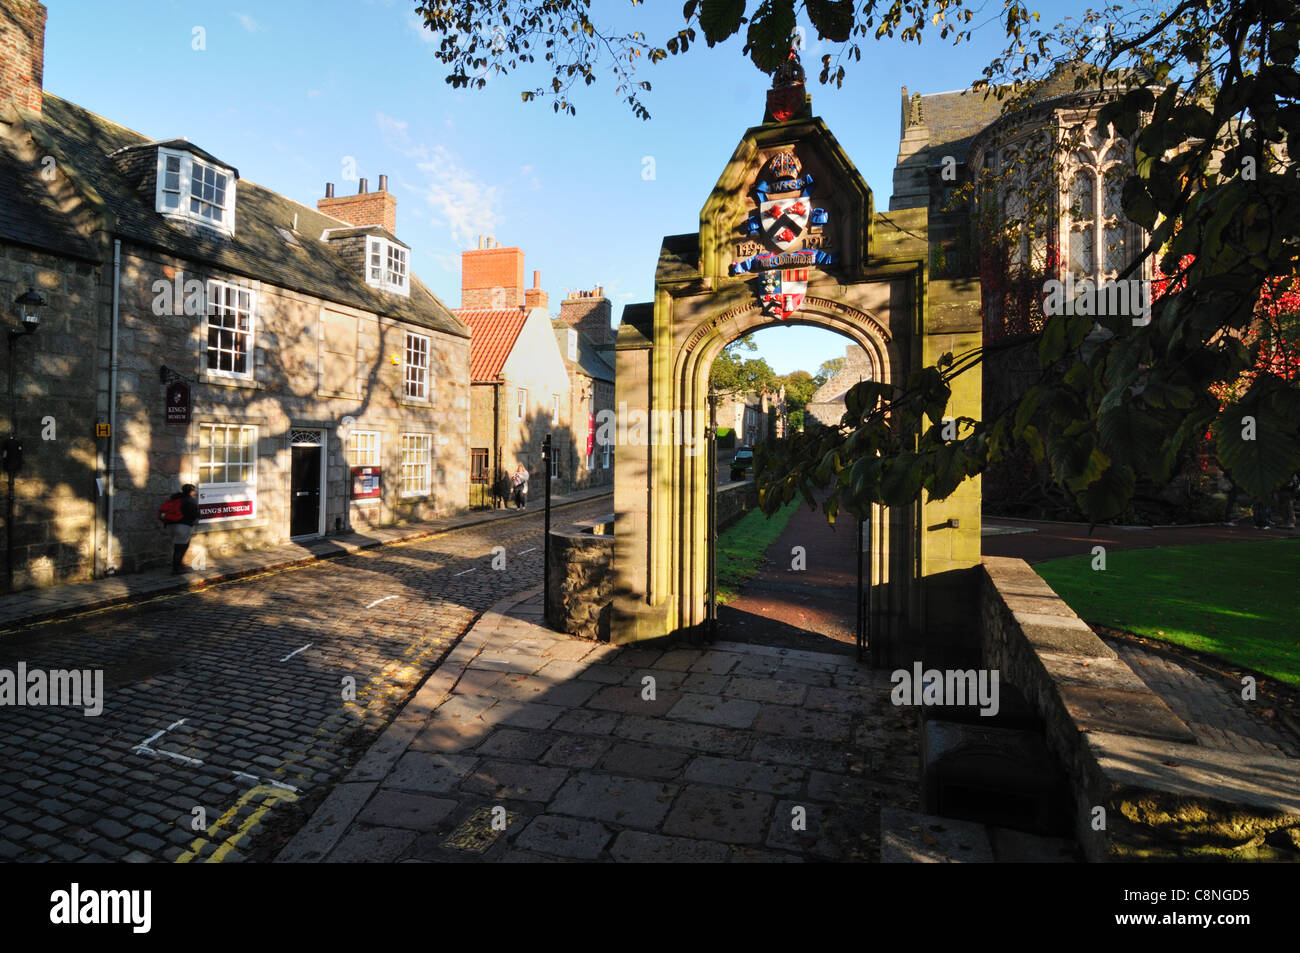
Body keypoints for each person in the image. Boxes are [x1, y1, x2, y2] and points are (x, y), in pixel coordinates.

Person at [163, 484, 201, 573]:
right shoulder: (190, 500)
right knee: (181, 547)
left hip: (170, 525)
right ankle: (176, 568)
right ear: (191, 491)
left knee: (178, 547)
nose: (194, 492)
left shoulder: (175, 498)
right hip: (183, 526)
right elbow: (195, 513)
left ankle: (178, 565)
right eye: (194, 490)